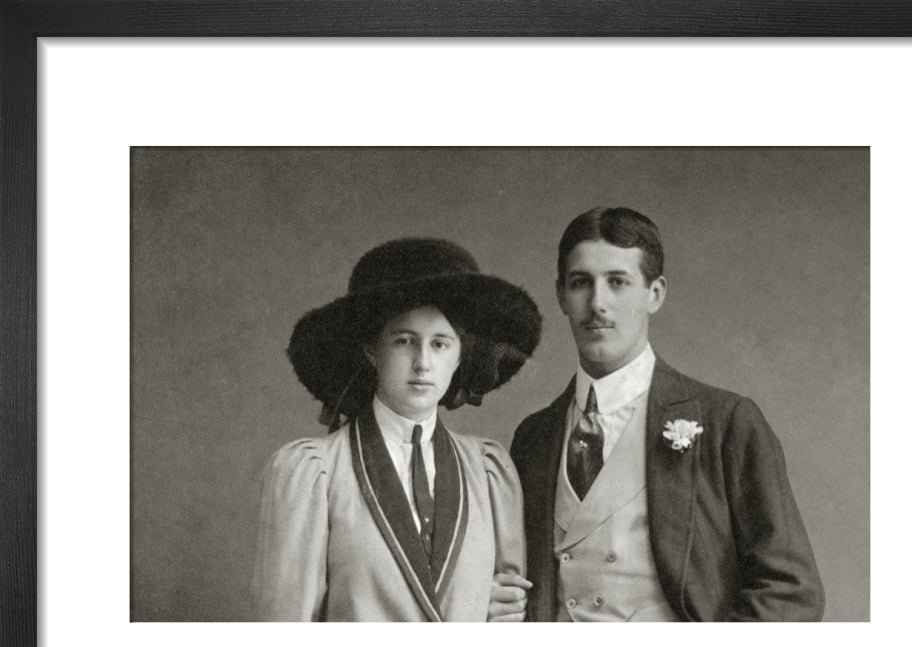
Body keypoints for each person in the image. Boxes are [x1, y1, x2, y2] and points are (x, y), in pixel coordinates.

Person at [490, 207, 824, 622]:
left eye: (618, 282)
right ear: (561, 295)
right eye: (581, 283)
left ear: (655, 293)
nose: (597, 304)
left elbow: (791, 590)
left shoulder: (727, 422)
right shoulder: (534, 437)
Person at [253, 238, 541, 621]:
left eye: (440, 344)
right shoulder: (315, 473)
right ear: (372, 351)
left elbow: (508, 622)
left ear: (460, 356)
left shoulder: (488, 472)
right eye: (404, 341)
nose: (423, 362)